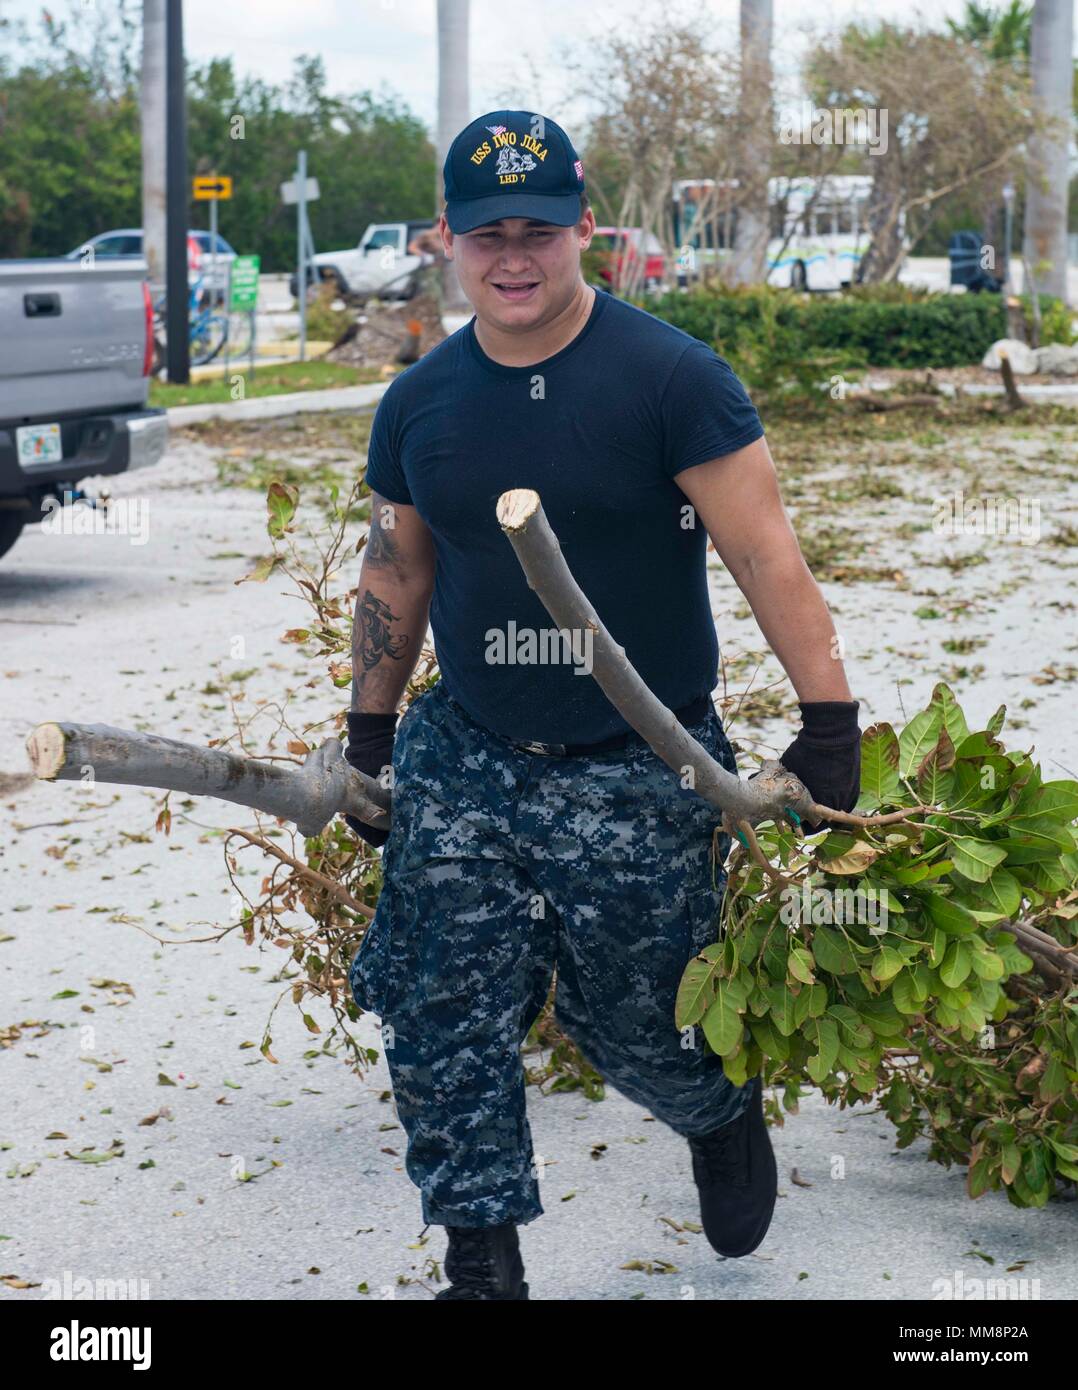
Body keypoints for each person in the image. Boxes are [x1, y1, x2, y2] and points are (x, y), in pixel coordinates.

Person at [343, 110, 861, 1301]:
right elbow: (397, 568)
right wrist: (370, 730)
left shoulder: (672, 377)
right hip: (466, 752)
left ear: (588, 229)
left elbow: (766, 554)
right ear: (445, 241)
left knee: (633, 1020)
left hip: (642, 757)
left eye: (537, 230)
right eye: (485, 235)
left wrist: (827, 721)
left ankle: (715, 1111)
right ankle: (481, 1255)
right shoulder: (420, 399)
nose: (511, 256)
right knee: (438, 1003)